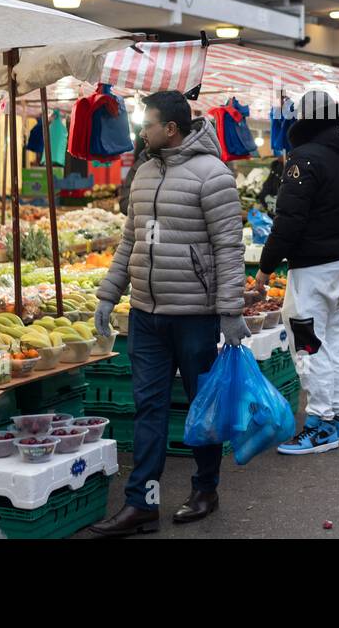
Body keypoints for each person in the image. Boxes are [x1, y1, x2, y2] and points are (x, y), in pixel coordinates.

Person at [89, 92, 247, 536]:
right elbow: (130, 242)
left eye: (149, 124)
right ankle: (142, 503)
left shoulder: (213, 175)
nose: (142, 131)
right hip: (145, 313)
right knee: (149, 406)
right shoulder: (142, 172)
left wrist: (230, 311)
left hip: (194, 314)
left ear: (172, 129)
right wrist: (108, 294)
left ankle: (205, 489)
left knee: (203, 407)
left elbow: (229, 250)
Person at [254, 91, 339, 455]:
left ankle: (318, 426)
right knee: (333, 340)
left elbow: (288, 221)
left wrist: (265, 268)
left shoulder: (303, 160)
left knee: (308, 345)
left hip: (312, 271)